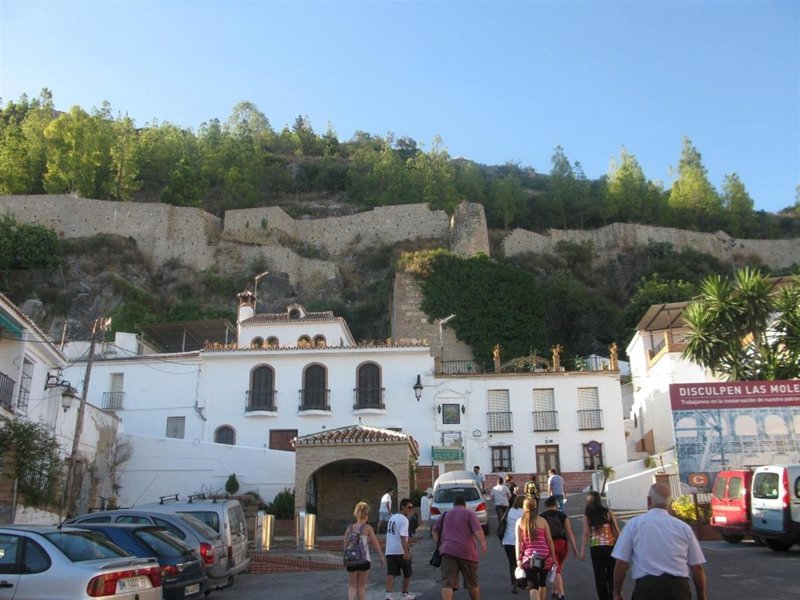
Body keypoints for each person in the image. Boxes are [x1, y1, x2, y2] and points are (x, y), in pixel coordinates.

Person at [611, 483, 707, 600]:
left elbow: (622, 563)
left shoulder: (634, 525)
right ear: (669, 503)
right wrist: (702, 596)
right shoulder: (683, 528)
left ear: (649, 500)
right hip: (678, 589)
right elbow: (697, 567)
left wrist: (617, 592)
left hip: (647, 589)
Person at [432, 493, 488, 600]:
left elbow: (435, 530)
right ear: (464, 504)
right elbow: (477, 530)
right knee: (472, 582)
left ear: (454, 504)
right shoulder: (469, 513)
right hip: (467, 552)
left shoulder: (445, 514)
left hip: (447, 551)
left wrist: (440, 544)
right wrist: (483, 543)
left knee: (447, 582)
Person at [580, 491, 621, 600]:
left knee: (599, 576)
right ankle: (614, 595)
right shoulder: (607, 511)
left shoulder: (587, 514)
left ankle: (603, 597)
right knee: (611, 574)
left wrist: (582, 551)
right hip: (610, 546)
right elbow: (616, 529)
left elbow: (586, 533)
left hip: (596, 548)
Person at [515, 496, 556, 600]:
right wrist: (553, 556)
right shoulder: (543, 521)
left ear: (524, 507)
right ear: (536, 506)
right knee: (542, 583)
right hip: (545, 557)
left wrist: (518, 559)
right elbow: (550, 541)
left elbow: (518, 542)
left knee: (533, 586)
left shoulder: (520, 522)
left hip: (528, 558)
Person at [345, 501, 385, 600]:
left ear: (356, 514)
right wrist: (381, 557)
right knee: (362, 587)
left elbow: (345, 545)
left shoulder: (349, 529)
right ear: (366, 515)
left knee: (352, 586)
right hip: (364, 560)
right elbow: (375, 544)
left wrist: (345, 559)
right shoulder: (368, 528)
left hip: (351, 560)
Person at [541, 495, 579, 600]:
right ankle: (554, 590)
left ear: (546, 505)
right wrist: (575, 548)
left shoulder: (542, 517)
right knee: (557, 567)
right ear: (555, 505)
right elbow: (569, 532)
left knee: (555, 568)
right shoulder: (563, 515)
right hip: (562, 543)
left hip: (549, 544)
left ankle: (561, 594)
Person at [385, 498, 416, 600]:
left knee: (391, 573)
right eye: (409, 507)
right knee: (407, 573)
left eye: (412, 508)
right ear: (402, 507)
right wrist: (406, 551)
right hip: (400, 550)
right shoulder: (404, 520)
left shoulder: (392, 518)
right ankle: (405, 594)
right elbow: (403, 537)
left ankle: (388, 595)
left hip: (389, 550)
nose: (411, 510)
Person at [501, 495, 525, 594]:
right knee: (522, 561)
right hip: (520, 541)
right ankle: (522, 582)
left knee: (512, 563)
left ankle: (514, 583)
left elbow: (503, 523)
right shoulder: (523, 512)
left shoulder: (509, 511)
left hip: (508, 540)